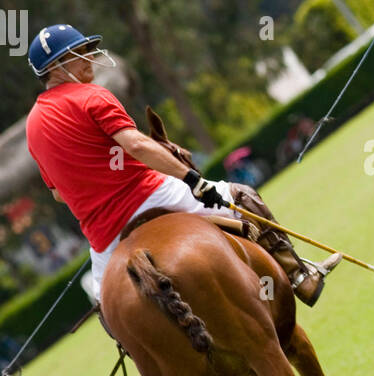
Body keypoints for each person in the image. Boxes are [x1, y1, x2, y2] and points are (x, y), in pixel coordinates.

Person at [24, 24, 339, 309]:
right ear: (57, 66)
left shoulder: (33, 126)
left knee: (109, 308)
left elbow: (59, 196)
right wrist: (194, 181)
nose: (90, 58)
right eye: (80, 54)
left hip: (104, 238)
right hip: (150, 196)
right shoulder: (90, 95)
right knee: (241, 196)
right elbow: (136, 145)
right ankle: (300, 277)